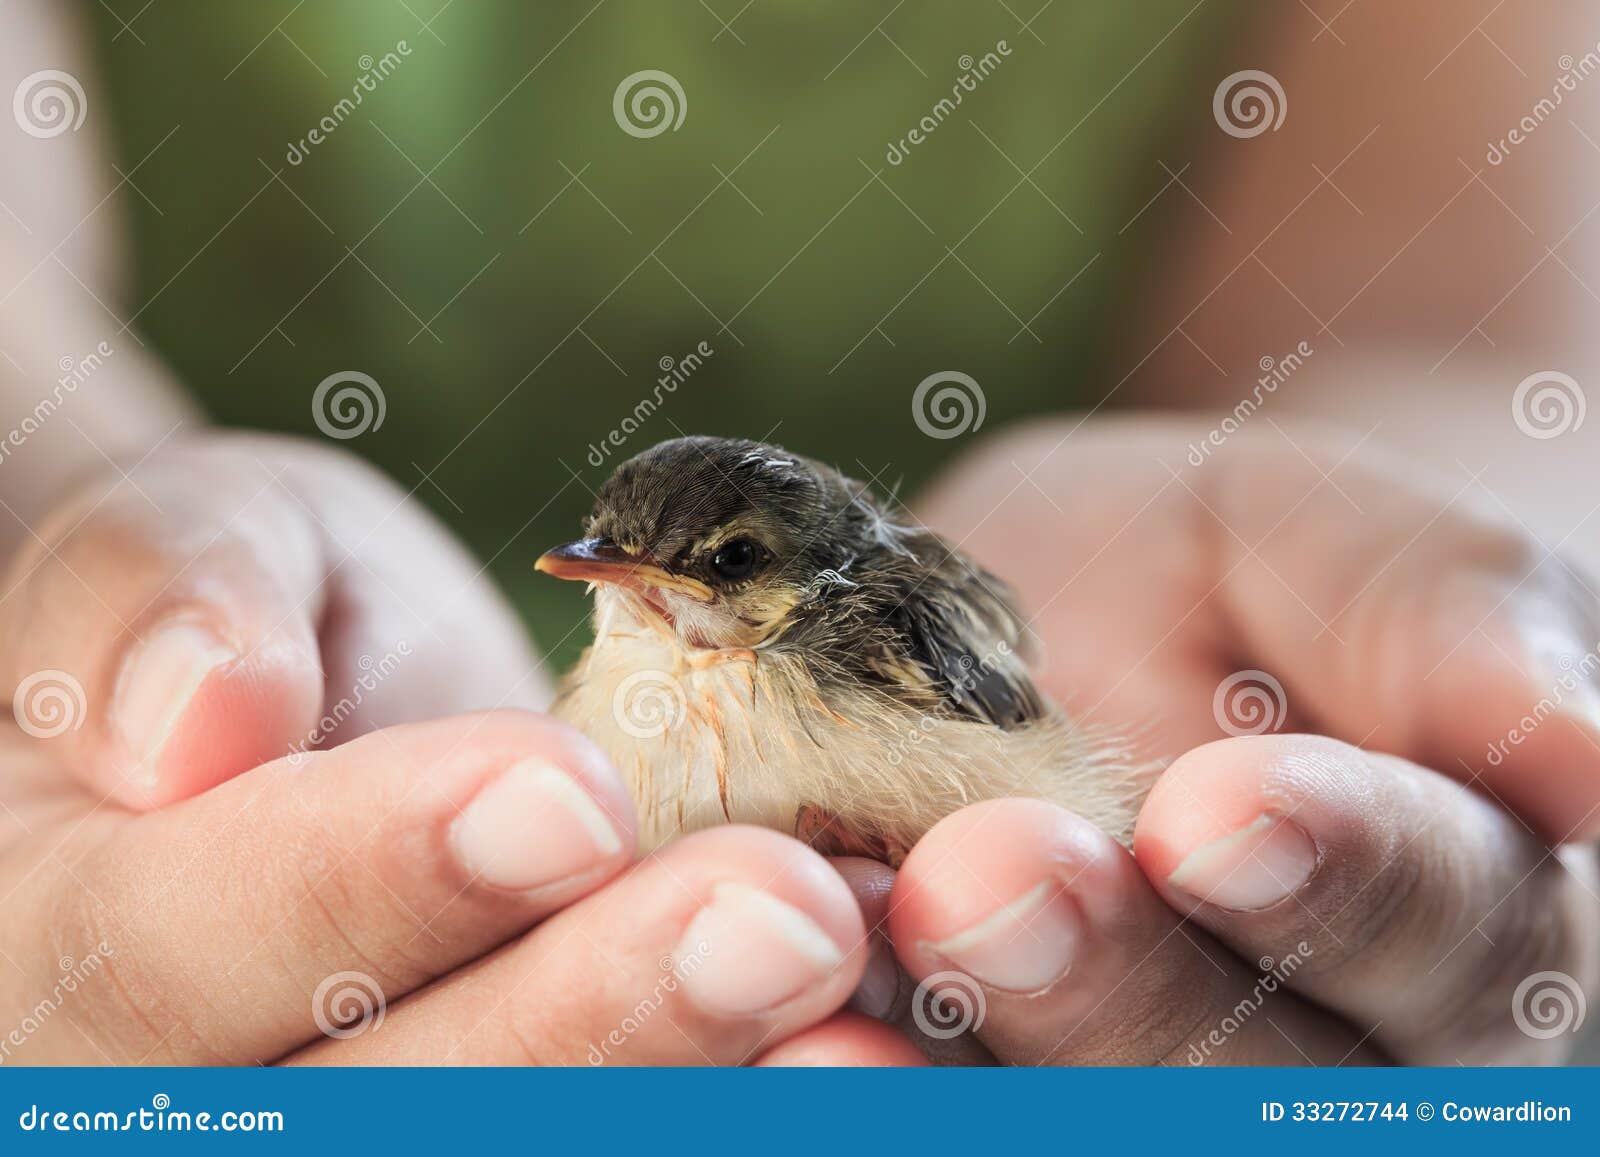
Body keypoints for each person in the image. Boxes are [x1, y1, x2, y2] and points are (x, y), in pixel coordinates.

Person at [0, 1, 1595, 1065]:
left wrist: (1388, 562)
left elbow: (1443, 332)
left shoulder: (871, 627)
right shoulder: (610, 675)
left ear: (799, 576)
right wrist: (64, 522)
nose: (645, 598)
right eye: (621, 566)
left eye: (722, 567)